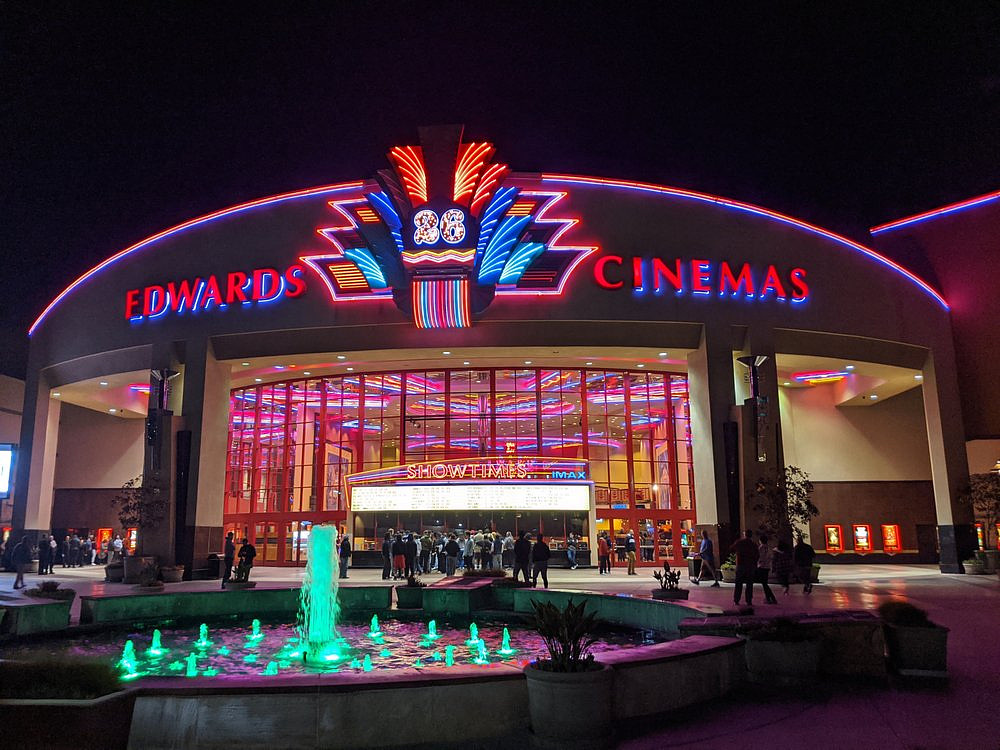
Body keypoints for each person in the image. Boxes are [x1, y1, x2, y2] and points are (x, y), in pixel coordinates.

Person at [730, 529, 759, 607]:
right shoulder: (753, 544)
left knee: (738, 583)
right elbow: (757, 555)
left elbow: (731, 549)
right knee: (749, 584)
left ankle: (736, 600)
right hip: (750, 566)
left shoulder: (740, 542)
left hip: (741, 565)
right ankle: (749, 600)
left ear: (745, 534)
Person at [756, 534, 778, 604]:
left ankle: (771, 597)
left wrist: (758, 562)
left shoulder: (761, 548)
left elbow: (760, 557)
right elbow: (771, 557)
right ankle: (768, 597)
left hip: (762, 566)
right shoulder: (768, 548)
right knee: (764, 583)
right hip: (767, 566)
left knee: (764, 583)